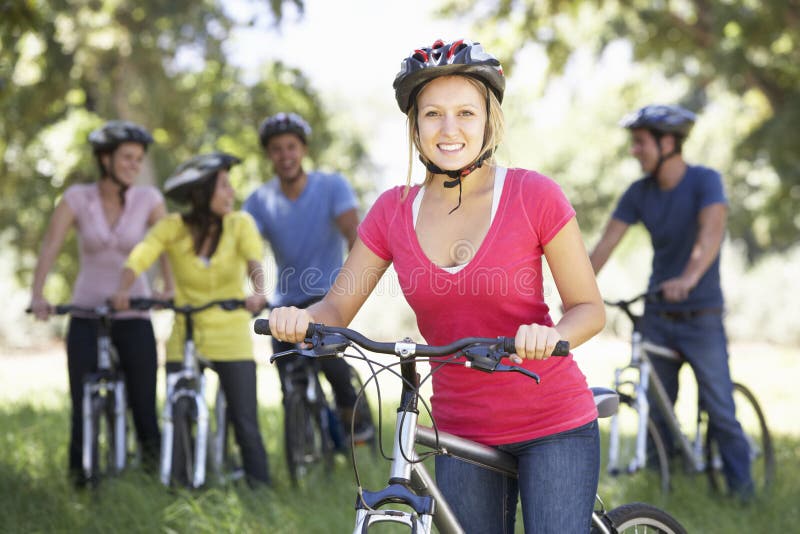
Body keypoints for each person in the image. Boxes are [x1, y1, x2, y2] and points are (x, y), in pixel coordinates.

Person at [268, 39, 606, 532]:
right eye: (433, 115)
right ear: (415, 125)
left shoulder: (533, 195)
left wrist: (551, 336)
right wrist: (302, 320)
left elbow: (588, 309)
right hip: (459, 430)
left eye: (465, 112)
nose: (449, 130)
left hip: (551, 424)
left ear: (489, 119)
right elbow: (336, 309)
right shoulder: (392, 212)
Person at [589, 104, 754, 500]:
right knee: (656, 412)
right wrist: (574, 291)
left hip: (700, 315)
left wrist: (689, 278)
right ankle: (666, 487)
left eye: (640, 143)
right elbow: (605, 244)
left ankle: (743, 495)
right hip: (659, 313)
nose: (634, 151)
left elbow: (710, 234)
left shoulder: (704, 181)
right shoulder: (639, 193)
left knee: (720, 409)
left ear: (668, 143)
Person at [111, 152, 271, 487]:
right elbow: (141, 254)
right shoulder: (171, 227)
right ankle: (181, 486)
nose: (231, 193)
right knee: (178, 416)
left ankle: (260, 488)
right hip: (185, 334)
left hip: (230, 333)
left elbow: (254, 262)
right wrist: (123, 289)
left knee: (245, 420)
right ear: (201, 193)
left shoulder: (240, 224)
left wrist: (258, 292)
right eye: (223, 186)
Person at [28, 120, 167, 485]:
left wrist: (168, 288)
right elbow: (51, 247)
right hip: (86, 311)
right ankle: (81, 483)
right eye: (127, 158)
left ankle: (154, 481)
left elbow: (168, 245)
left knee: (143, 405)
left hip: (134, 310)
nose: (134, 165)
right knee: (82, 404)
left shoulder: (150, 200)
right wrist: (38, 294)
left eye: (138, 159)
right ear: (105, 159)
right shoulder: (77, 198)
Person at [243, 112, 373, 442]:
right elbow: (249, 251)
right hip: (285, 302)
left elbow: (352, 235)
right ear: (269, 155)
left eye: (291, 147)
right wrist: (259, 290)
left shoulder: (331, 186)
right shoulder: (259, 201)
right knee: (288, 377)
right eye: (276, 149)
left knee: (332, 365)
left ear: (303, 149)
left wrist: (351, 285)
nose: (285, 155)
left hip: (327, 297)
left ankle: (356, 424)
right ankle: (303, 443)